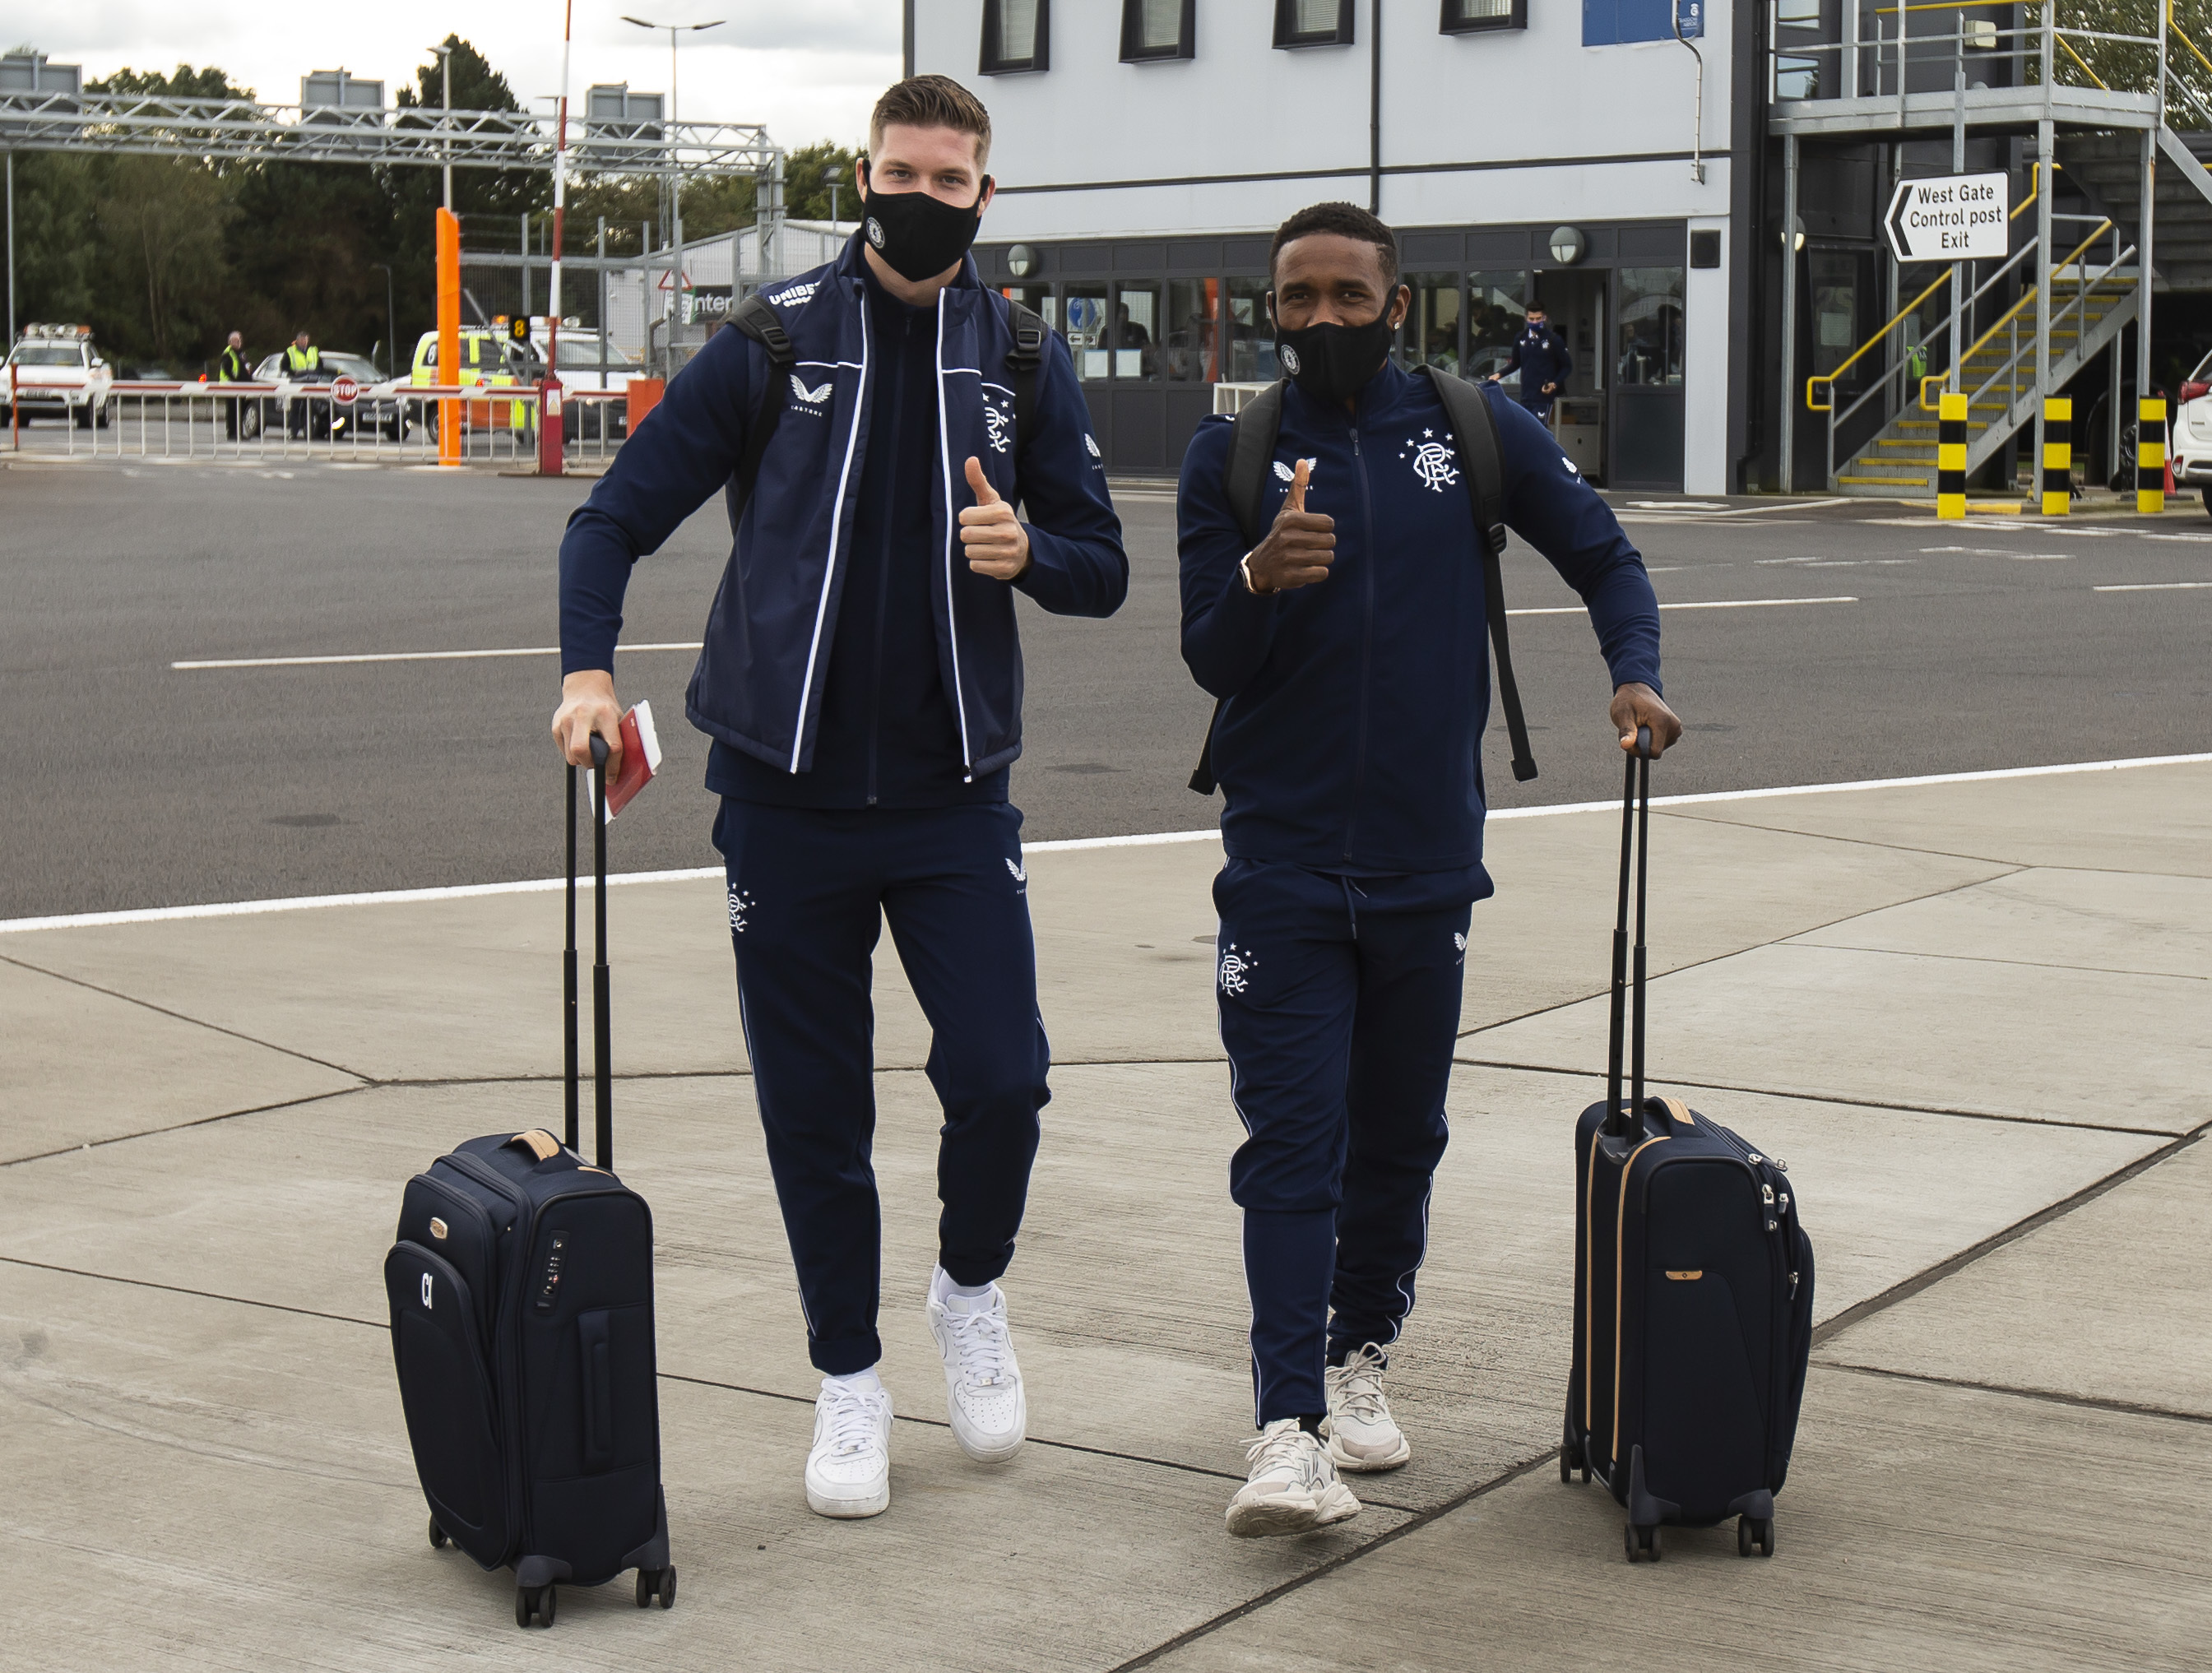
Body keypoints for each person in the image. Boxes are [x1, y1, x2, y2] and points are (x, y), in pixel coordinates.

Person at [553, 74, 1126, 1522]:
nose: (920, 200)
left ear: (984, 199)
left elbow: (1100, 561)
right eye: (897, 173)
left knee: (1004, 1071)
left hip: (949, 798)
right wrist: (582, 675)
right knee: (816, 1111)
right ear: (856, 176)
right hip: (782, 797)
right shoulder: (769, 339)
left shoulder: (1019, 352)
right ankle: (847, 1377)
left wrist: (1028, 555)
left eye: (949, 182)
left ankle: (966, 1288)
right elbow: (611, 517)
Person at [1176, 202, 1679, 1538]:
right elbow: (1207, 659)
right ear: (1268, 310)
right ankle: (1282, 1427)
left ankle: (1355, 1354)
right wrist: (1256, 574)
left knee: (1395, 1138)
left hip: (1422, 868)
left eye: (1348, 295)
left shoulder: (1470, 429)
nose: (1324, 319)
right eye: (1299, 299)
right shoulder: (1227, 457)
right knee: (1291, 1143)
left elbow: (1604, 555)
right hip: (1278, 870)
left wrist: (1633, 674)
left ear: (1394, 304)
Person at [1490, 304, 1571, 421]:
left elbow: (1567, 366)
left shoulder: (1554, 340)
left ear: (1544, 318)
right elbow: (1515, 363)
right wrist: (1499, 374)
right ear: (1526, 318)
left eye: (1538, 319)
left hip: (1543, 397)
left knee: (1540, 430)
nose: (1535, 322)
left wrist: (1554, 383)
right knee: (1526, 429)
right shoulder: (1521, 338)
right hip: (1526, 396)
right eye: (1532, 319)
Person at [283, 330, 320, 438]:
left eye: (306, 339)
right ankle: (293, 433)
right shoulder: (290, 351)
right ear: (298, 340)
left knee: (309, 409)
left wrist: (317, 372)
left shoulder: (313, 350)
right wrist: (293, 372)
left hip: (311, 383)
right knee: (296, 409)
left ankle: (308, 433)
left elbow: (320, 365)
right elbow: (283, 366)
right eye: (302, 340)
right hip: (297, 383)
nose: (304, 342)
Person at [216, 331, 250, 441]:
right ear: (230, 342)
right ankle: (231, 433)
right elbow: (227, 370)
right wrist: (236, 381)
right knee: (232, 411)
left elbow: (245, 366)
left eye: (239, 340)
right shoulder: (228, 353)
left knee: (240, 410)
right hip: (230, 386)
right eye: (236, 340)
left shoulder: (241, 353)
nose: (238, 342)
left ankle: (239, 433)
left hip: (241, 387)